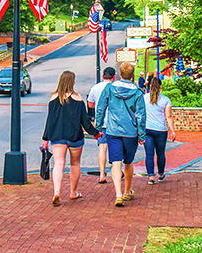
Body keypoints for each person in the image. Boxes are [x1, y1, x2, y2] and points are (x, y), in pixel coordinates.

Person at [42, 70, 100, 207]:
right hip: (75, 136)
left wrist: (45, 138)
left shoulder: (53, 99)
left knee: (58, 164)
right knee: (75, 164)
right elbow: (85, 122)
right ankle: (73, 192)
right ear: (72, 82)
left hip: (57, 136)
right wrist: (95, 133)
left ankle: (56, 192)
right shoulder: (78, 99)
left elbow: (50, 120)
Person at [95, 62, 146, 207]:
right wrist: (141, 135)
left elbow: (100, 108)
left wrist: (98, 126)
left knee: (116, 162)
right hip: (130, 132)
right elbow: (141, 115)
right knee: (128, 162)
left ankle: (118, 194)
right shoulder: (137, 92)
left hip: (113, 130)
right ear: (133, 75)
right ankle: (127, 191)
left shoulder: (110, 88)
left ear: (120, 74)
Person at [144, 77, 176, 184]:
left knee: (149, 154)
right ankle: (161, 174)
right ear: (160, 87)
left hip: (147, 129)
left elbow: (138, 114)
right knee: (160, 153)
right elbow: (168, 116)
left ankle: (151, 177)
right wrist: (172, 130)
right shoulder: (165, 100)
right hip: (161, 130)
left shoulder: (144, 98)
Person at [87, 67, 115, 183]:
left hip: (102, 122)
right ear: (113, 77)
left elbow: (90, 104)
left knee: (102, 148)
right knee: (115, 148)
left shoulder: (95, 88)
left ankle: (102, 174)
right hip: (114, 122)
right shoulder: (115, 88)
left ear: (103, 76)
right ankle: (116, 171)